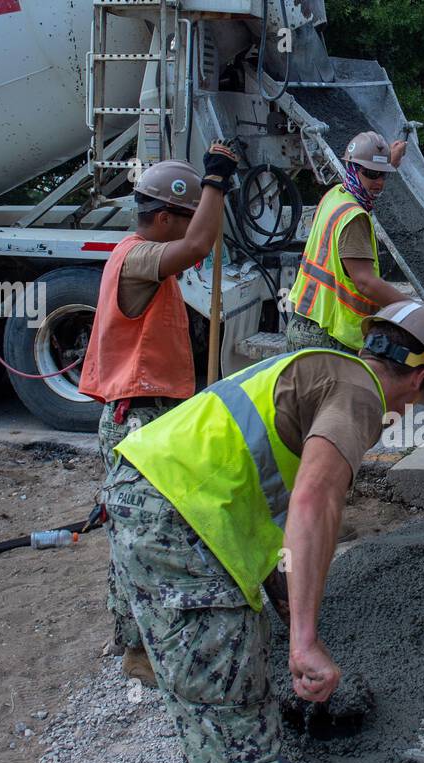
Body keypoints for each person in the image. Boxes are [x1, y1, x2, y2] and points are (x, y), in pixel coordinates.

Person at [106, 300, 424, 763]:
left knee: (219, 704)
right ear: (418, 377)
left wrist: (292, 614)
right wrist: (305, 641)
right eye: (417, 396)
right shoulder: (361, 395)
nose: (409, 407)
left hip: (156, 505)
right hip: (177, 523)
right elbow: (316, 499)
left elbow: (271, 509)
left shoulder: (316, 368)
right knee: (234, 714)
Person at [78, 142, 239, 686]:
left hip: (149, 416)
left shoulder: (142, 261)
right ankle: (142, 651)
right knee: (148, 537)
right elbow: (198, 245)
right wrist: (216, 180)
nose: (198, 225)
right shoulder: (137, 256)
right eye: (189, 214)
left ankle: (134, 644)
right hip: (137, 420)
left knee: (133, 535)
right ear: (165, 216)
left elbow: (196, 241)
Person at [285, 130, 424, 352]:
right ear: (353, 170)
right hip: (331, 338)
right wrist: (416, 310)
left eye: (384, 174)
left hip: (304, 323)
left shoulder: (335, 195)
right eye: (372, 174)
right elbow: (365, 283)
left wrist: (388, 159)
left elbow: (367, 172)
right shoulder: (354, 218)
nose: (379, 182)